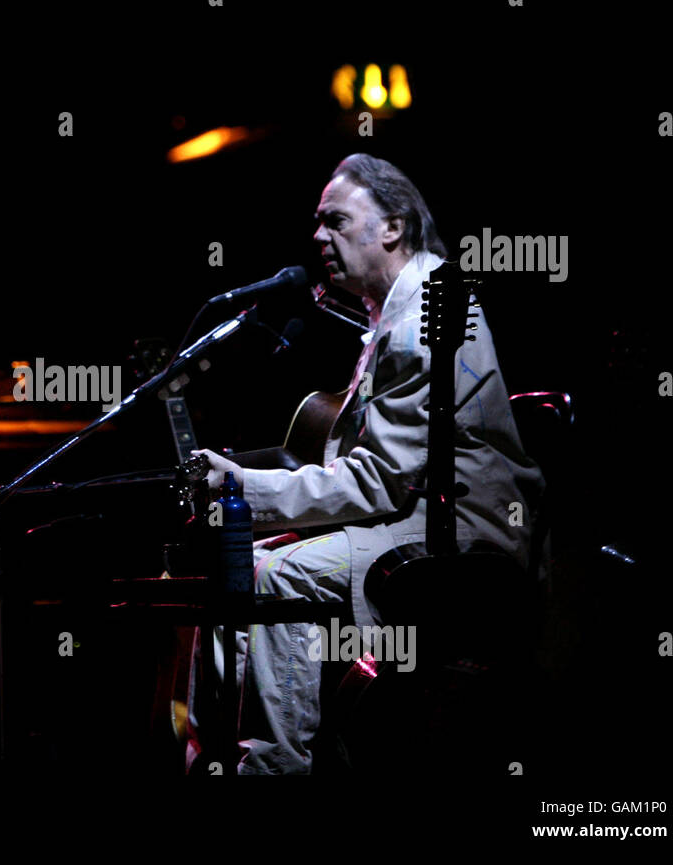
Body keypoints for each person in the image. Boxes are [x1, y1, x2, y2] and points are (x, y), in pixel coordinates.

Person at [185, 153, 545, 774]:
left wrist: (246, 488)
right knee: (239, 561)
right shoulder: (397, 310)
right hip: (412, 511)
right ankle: (214, 755)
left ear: (393, 227)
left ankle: (275, 767)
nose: (319, 237)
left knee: (276, 576)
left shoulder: (419, 322)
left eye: (336, 221)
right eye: (317, 223)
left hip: (457, 530)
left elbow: (378, 479)